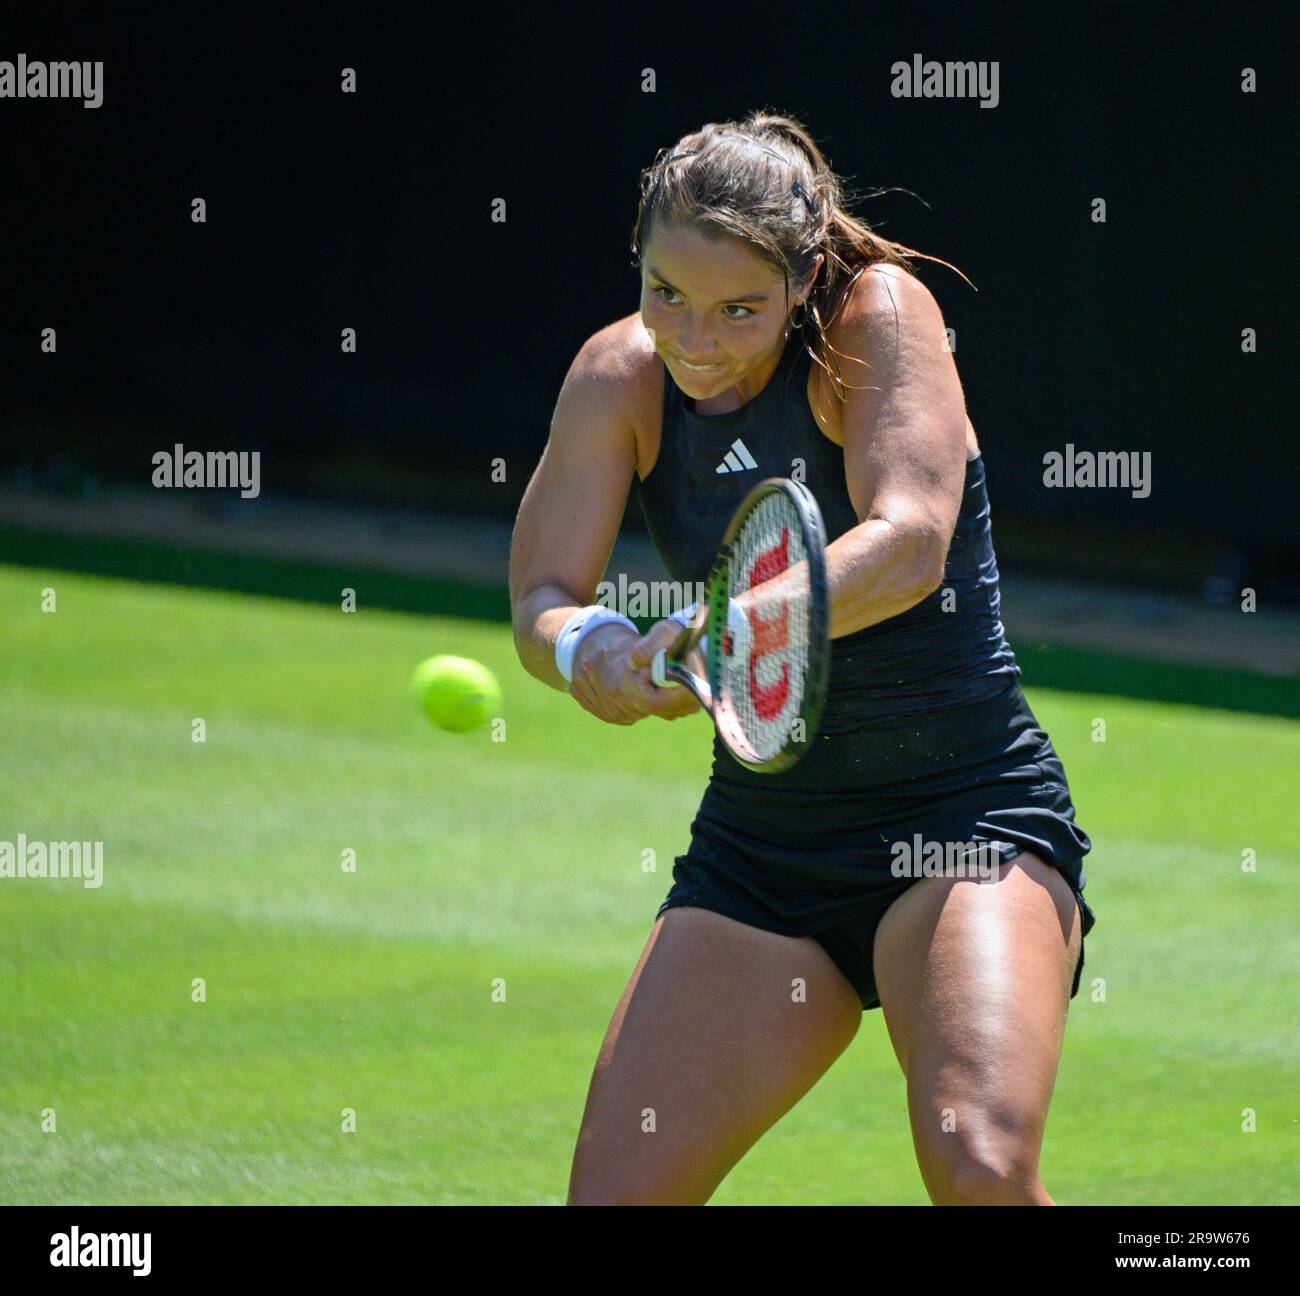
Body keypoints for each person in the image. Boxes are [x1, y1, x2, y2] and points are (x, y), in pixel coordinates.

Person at [509, 110, 1096, 1206]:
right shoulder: (617, 376)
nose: (696, 337)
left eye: (739, 307)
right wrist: (592, 651)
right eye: (664, 292)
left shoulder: (878, 317)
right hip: (764, 849)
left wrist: (733, 622)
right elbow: (543, 595)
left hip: (963, 822)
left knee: (979, 1167)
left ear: (806, 272)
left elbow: (911, 541)